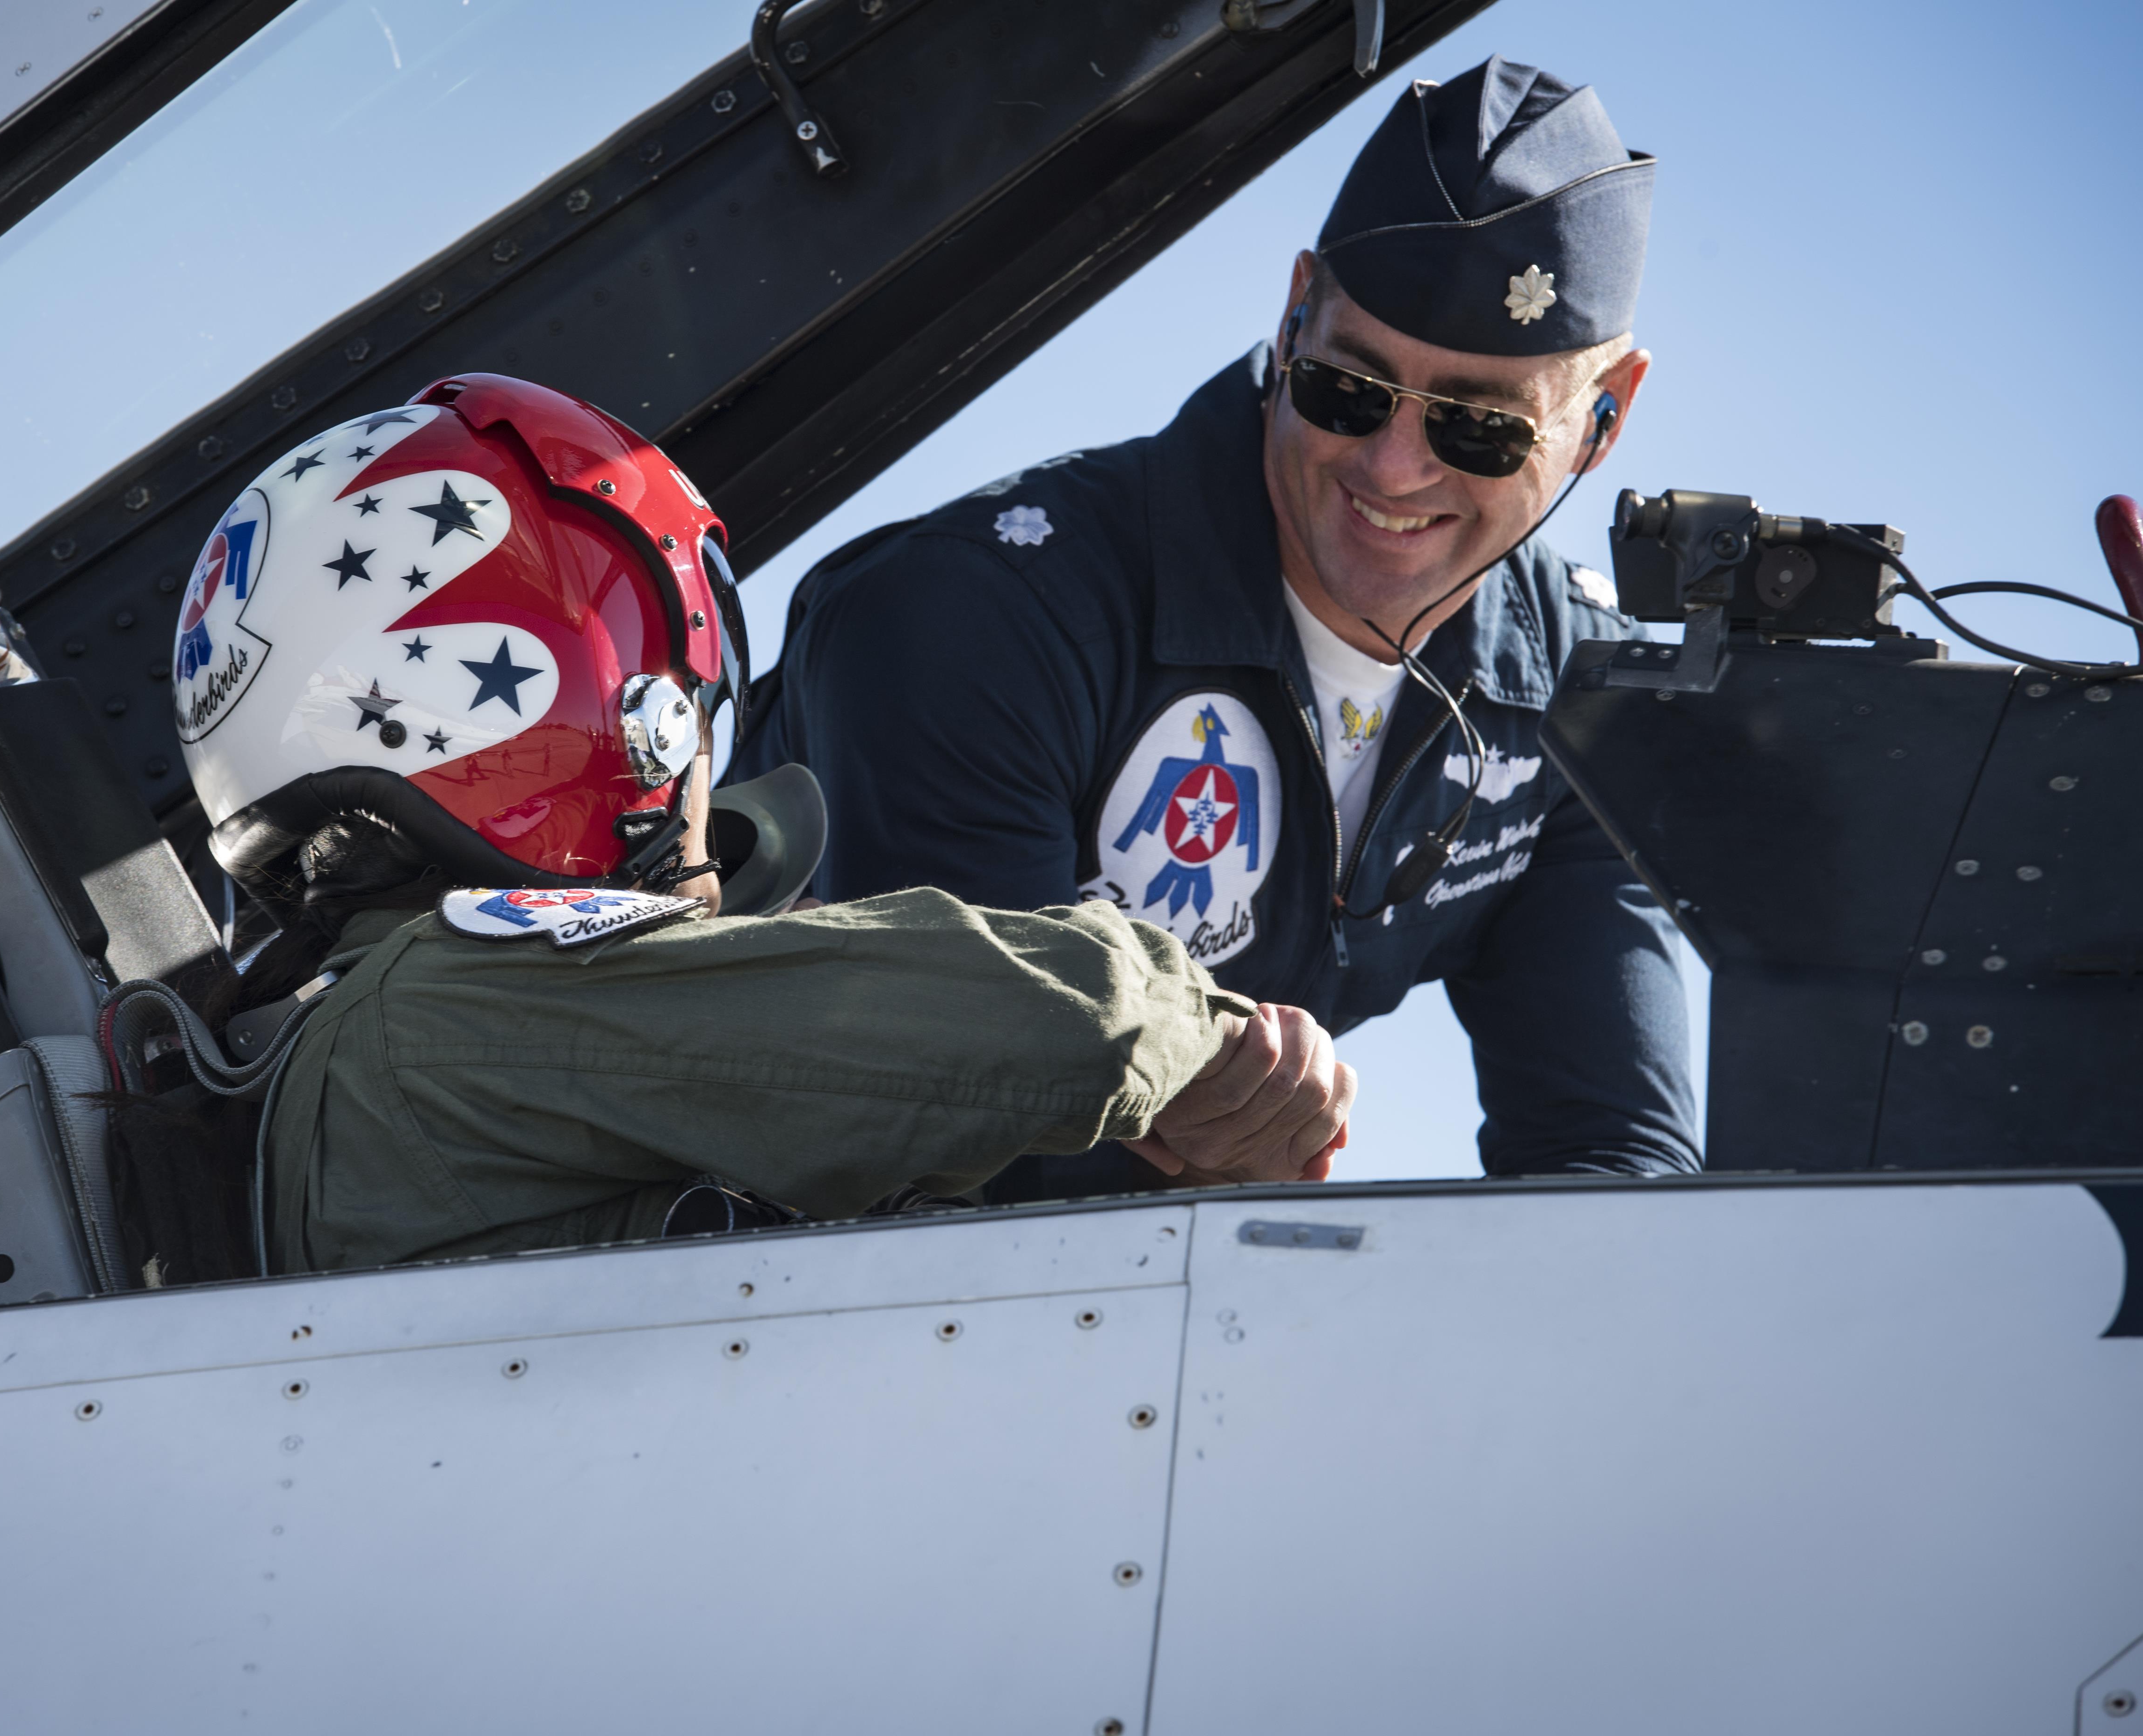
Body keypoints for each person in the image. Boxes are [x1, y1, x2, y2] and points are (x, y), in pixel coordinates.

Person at [115, 374, 1354, 1281]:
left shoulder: (352, 1038)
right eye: (686, 704)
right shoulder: (443, 1019)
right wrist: (1234, 1060)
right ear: (627, 716)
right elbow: (1072, 1015)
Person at [733, 56, 1700, 1196]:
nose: (1394, 467)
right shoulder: (977, 614)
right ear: (1296, 313)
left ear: (1605, 418)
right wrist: (1210, 1115)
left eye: (1480, 431)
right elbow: (975, 1122)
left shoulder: (1581, 701)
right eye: (1349, 389)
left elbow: (1606, 1163)